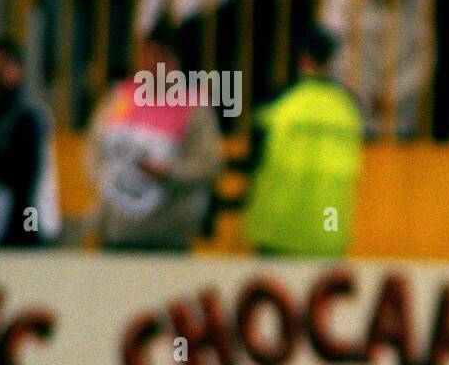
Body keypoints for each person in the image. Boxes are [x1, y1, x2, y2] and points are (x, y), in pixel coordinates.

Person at [86, 29, 222, 251]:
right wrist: (103, 178)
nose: (151, 63)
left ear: (176, 62)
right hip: (117, 228)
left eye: (161, 56)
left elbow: (208, 165)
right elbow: (94, 148)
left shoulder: (194, 107)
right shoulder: (121, 97)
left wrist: (168, 171)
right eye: (147, 54)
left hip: (167, 231)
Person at [242, 26, 363, 257]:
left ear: (302, 57)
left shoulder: (279, 100)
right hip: (329, 227)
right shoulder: (349, 105)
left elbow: (255, 157)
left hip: (279, 227)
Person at [0, 39, 58, 247]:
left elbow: (26, 177)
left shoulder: (30, 116)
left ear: (19, 70)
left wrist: (29, 229)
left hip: (22, 218)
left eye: (4, 62)